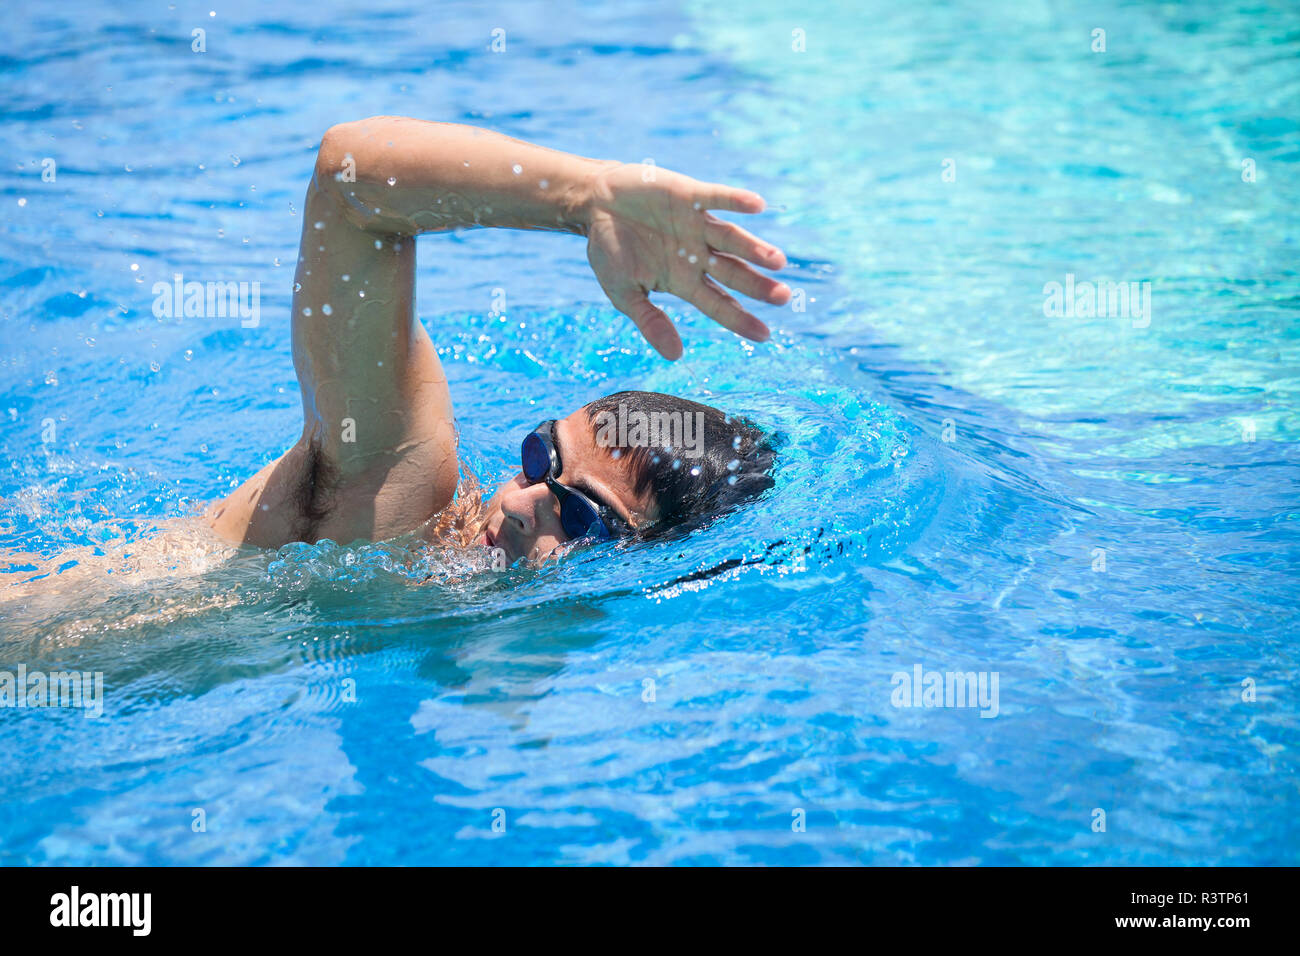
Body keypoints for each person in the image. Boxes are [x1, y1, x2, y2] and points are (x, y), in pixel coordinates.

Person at [204, 116, 792, 565]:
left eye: (579, 514)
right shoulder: (397, 489)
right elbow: (346, 184)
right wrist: (584, 199)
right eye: (541, 457)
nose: (518, 504)